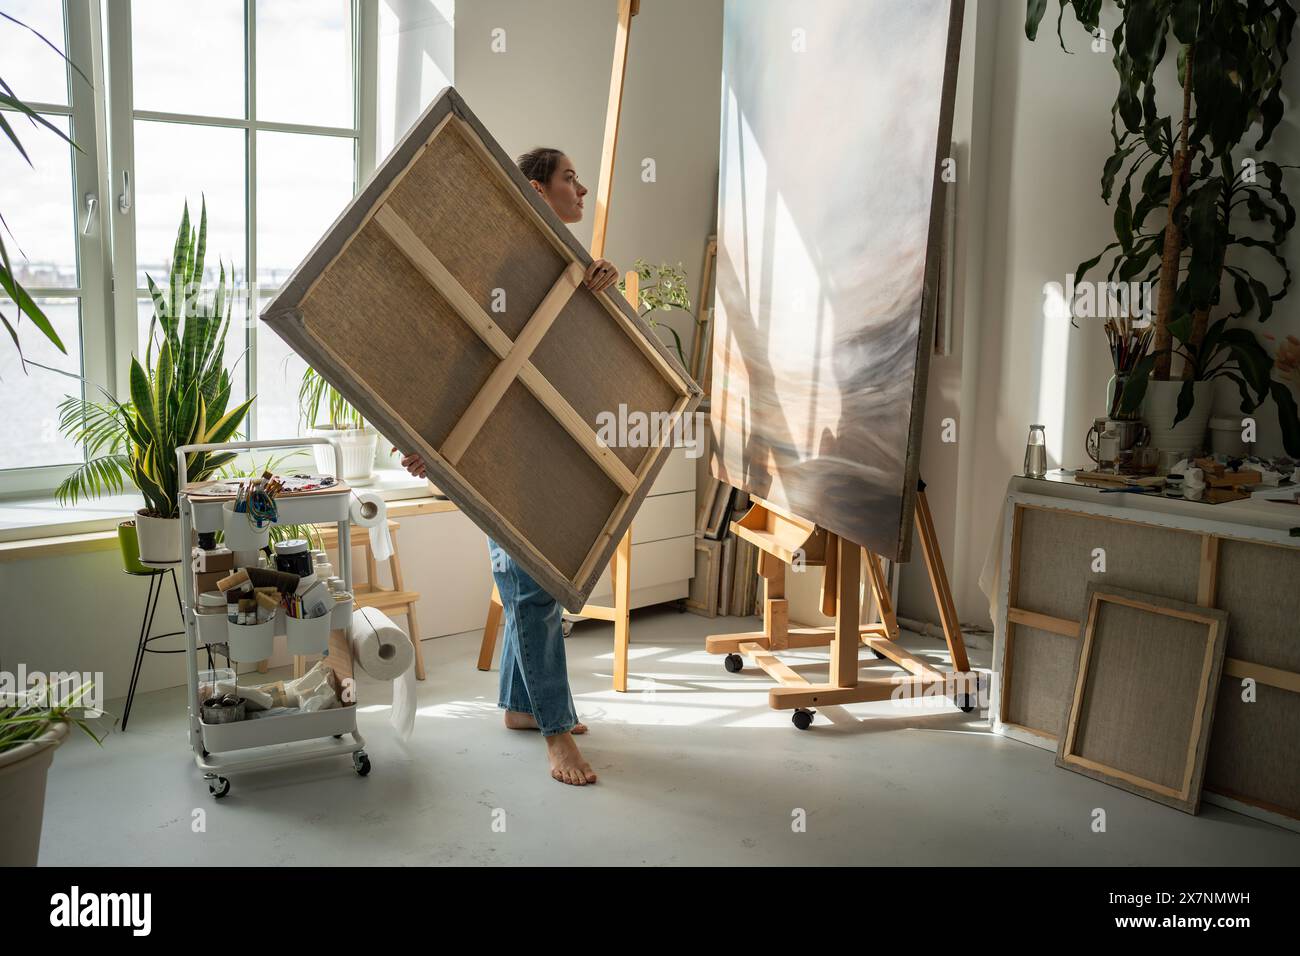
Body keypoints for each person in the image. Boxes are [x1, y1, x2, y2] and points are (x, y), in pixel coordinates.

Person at [400, 147, 620, 786]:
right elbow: (459, 353)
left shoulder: (564, 267)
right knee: (528, 587)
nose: (582, 189)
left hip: (546, 448)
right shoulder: (504, 265)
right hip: (496, 452)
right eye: (570, 179)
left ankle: (524, 708)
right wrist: (428, 440)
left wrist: (602, 276)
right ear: (536, 187)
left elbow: (578, 350)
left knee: (534, 583)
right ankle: (557, 734)